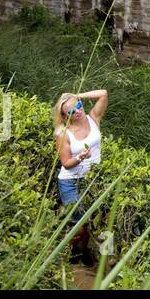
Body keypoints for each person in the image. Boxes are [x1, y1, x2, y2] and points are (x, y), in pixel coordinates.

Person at [55, 89, 108, 258]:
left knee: (88, 222)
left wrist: (79, 96)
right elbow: (66, 164)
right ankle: (67, 253)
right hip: (70, 183)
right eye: (71, 111)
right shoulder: (63, 134)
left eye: (78, 106)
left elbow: (104, 94)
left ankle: (81, 251)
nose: (77, 112)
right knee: (80, 222)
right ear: (65, 117)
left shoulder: (93, 118)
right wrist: (80, 157)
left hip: (91, 180)